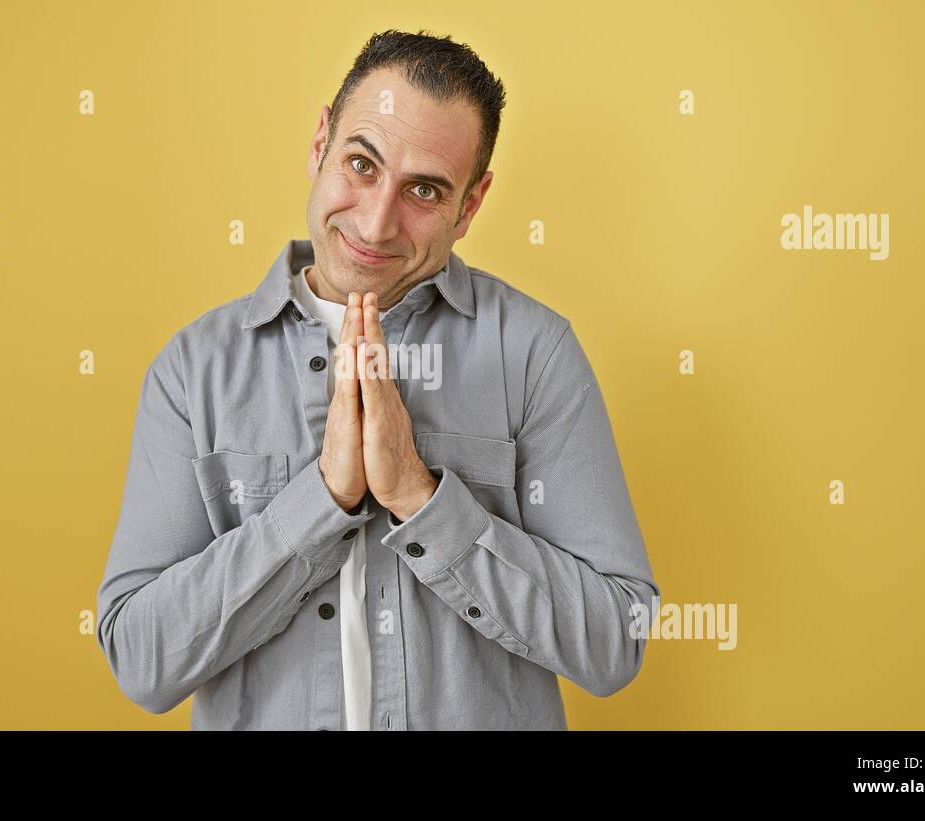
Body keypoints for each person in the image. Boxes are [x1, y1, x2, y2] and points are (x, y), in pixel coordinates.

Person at [95, 28, 660, 730]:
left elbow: (616, 639)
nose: (375, 220)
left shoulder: (535, 353)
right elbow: (142, 662)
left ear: (471, 206)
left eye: (425, 189)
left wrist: (420, 498)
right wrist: (322, 500)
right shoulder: (192, 371)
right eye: (362, 164)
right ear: (320, 144)